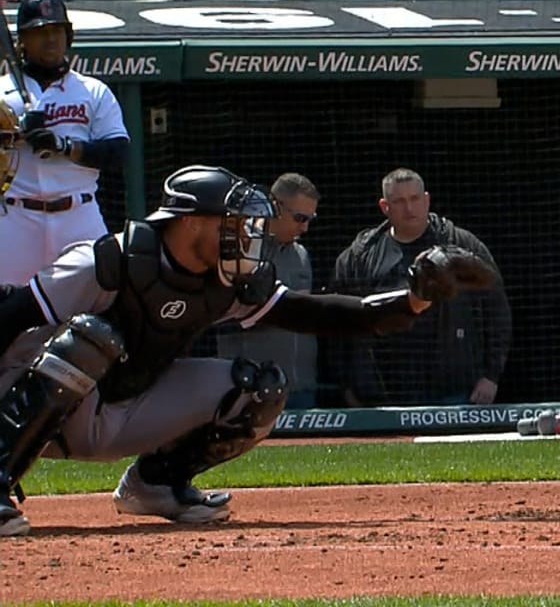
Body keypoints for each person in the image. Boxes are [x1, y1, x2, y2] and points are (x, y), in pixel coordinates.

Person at [0, 165, 494, 536]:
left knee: (260, 388)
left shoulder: (227, 280)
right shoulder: (108, 261)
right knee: (93, 336)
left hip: (124, 408)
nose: (247, 237)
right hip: (40, 404)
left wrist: (414, 298)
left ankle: (155, 485)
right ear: (191, 222)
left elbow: (320, 314)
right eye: (232, 223)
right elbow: (11, 318)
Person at [330, 168, 511, 406]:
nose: (409, 208)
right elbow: (339, 322)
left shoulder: (462, 246)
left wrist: (491, 376)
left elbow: (496, 311)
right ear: (385, 206)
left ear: (427, 199)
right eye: (399, 201)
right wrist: (347, 385)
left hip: (454, 388)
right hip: (382, 394)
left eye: (415, 199)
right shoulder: (359, 257)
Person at [0, 0, 129, 286]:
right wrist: (14, 136)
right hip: (15, 217)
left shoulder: (93, 91)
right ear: (22, 41)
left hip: (78, 217)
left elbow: (117, 152)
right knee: (7, 313)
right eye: (40, 32)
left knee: (101, 301)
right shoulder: (2, 93)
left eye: (56, 31)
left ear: (68, 36)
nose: (50, 40)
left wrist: (63, 147)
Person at [214, 173, 321, 408]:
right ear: (275, 206)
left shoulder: (301, 255)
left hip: (301, 387)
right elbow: (221, 315)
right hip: (250, 388)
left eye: (310, 219)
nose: (305, 227)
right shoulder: (239, 247)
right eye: (300, 218)